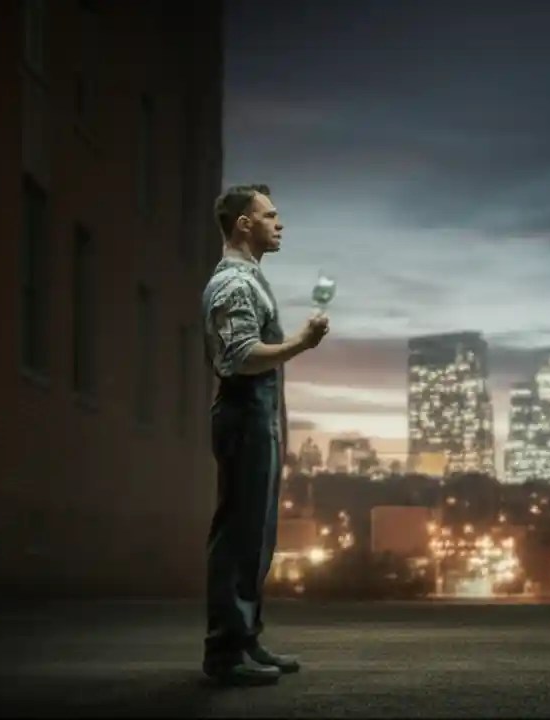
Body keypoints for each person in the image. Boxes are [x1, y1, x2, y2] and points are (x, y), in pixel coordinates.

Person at [199, 184, 330, 685]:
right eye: (270, 215)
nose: (280, 223)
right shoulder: (234, 283)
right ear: (243, 224)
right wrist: (300, 343)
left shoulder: (250, 279)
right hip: (244, 419)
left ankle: (245, 639)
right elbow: (238, 357)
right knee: (239, 534)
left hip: (257, 420)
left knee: (255, 535)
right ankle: (225, 652)